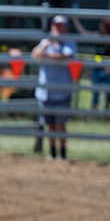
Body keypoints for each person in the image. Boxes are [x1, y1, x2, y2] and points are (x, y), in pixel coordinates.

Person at [32, 14, 77, 160]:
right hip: (46, 91)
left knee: (61, 124)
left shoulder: (69, 42)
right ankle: (52, 152)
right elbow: (36, 55)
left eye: (61, 26)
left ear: (66, 28)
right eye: (55, 26)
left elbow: (66, 56)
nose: (58, 29)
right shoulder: (45, 41)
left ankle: (63, 153)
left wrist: (48, 55)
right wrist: (46, 46)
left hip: (62, 90)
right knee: (50, 124)